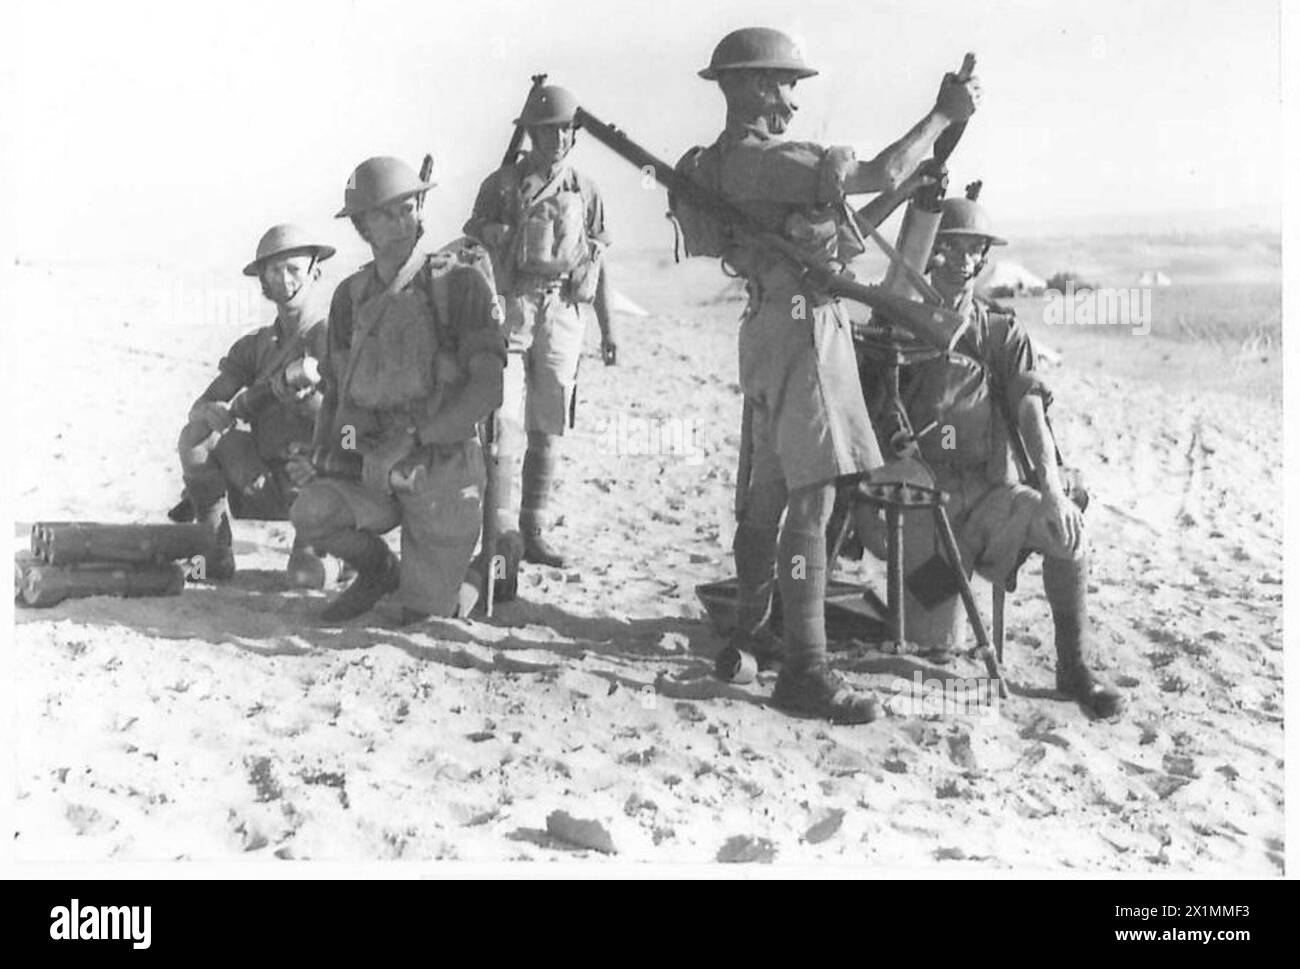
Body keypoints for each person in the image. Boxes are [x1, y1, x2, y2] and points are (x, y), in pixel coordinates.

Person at [683, 27, 981, 723]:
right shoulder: (769, 158)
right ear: (752, 87)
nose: (791, 100)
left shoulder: (735, 166)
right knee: (812, 504)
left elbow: (835, 237)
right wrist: (944, 114)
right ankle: (806, 670)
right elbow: (871, 170)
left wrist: (912, 184)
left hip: (769, 328)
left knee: (769, 495)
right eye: (785, 84)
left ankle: (749, 632)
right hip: (802, 335)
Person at [862, 189, 1123, 718]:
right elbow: (867, 410)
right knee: (936, 651)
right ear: (928, 250)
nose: (963, 261)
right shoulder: (892, 320)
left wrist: (1050, 489)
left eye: (974, 250)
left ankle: (1074, 668)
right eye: (951, 247)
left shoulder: (1000, 330)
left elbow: (1030, 410)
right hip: (912, 508)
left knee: (1067, 535)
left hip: (987, 498)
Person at [287, 156, 506, 624]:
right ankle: (380, 572)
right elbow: (337, 390)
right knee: (312, 510)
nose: (405, 218)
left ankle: (488, 564)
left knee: (426, 617)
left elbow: (487, 391)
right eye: (388, 212)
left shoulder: (460, 282)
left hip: (441, 463)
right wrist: (322, 455)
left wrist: (411, 438)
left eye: (410, 206)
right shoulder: (350, 297)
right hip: (372, 460)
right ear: (363, 226)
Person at [464, 84, 618, 595]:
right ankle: (500, 532)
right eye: (550, 129)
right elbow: (474, 250)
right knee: (501, 426)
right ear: (531, 132)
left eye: (568, 129)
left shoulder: (585, 188)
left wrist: (608, 329)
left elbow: (597, 259)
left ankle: (533, 528)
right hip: (511, 308)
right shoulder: (502, 186)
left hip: (564, 310)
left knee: (548, 423)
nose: (560, 138)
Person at [172, 223, 335, 587]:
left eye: (294, 268)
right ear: (263, 282)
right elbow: (208, 401)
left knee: (306, 578)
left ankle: (345, 560)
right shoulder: (255, 346)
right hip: (263, 479)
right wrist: (209, 411)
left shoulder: (337, 340)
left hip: (321, 480)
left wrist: (314, 416)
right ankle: (214, 548)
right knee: (196, 436)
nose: (285, 279)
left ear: (315, 273)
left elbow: (358, 426)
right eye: (274, 271)